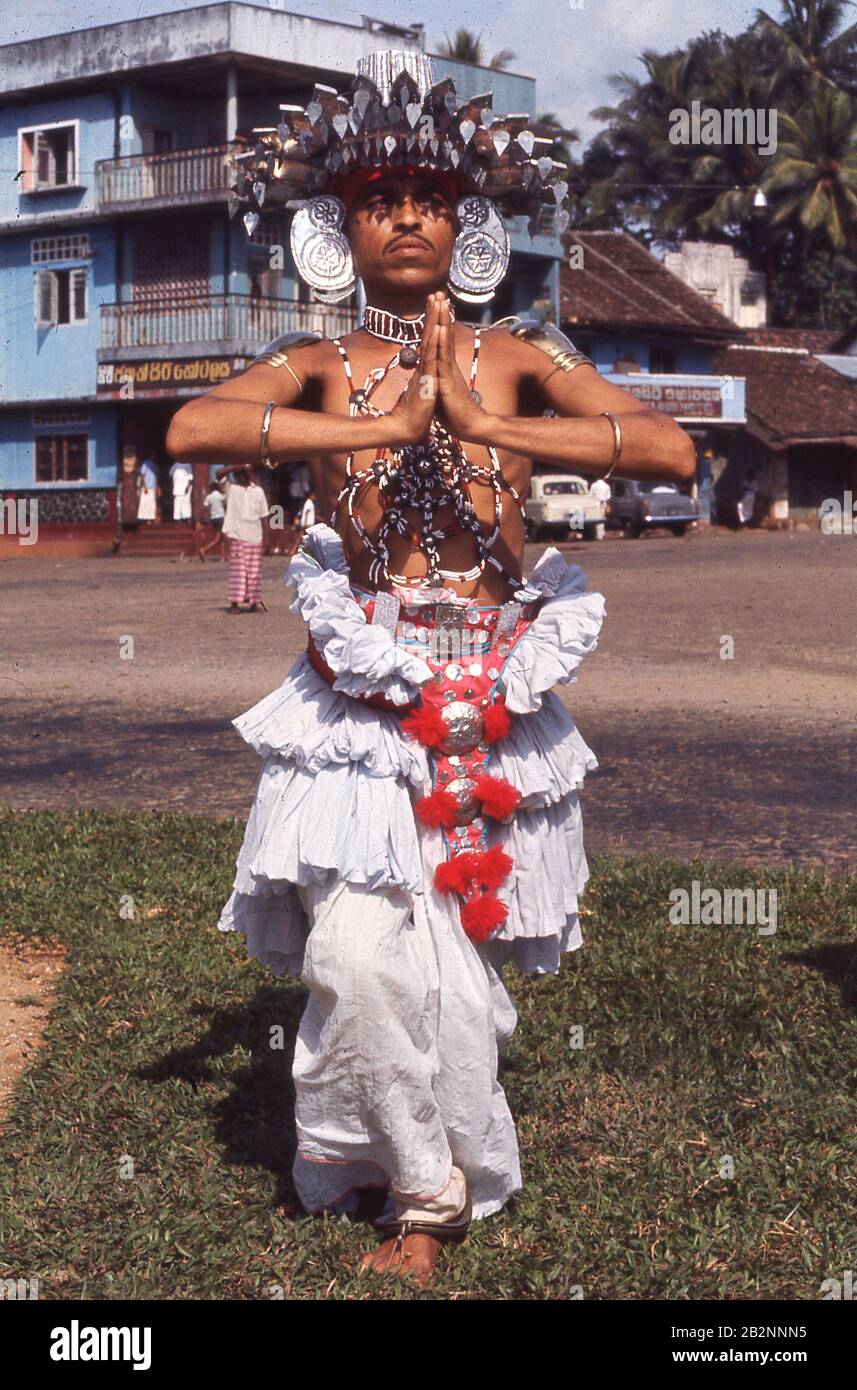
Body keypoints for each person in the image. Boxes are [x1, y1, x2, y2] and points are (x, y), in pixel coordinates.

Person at [166, 49, 695, 1288]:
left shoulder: (516, 354)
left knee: (457, 965)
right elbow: (198, 426)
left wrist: (486, 421)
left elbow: (667, 448)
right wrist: (388, 425)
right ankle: (420, 1184)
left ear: (468, 224)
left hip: (491, 695)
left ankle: (438, 1160)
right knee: (354, 953)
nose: (405, 215)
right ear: (333, 228)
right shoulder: (316, 361)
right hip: (358, 701)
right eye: (375, 198)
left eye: (428, 196)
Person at [219, 464, 270, 612]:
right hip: (236, 537)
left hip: (255, 537)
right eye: (240, 472)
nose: (243, 475)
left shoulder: (259, 491)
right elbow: (218, 474)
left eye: (246, 471)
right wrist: (237, 465)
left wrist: (267, 538)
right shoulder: (231, 488)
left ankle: (254, 602)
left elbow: (264, 515)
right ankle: (234, 603)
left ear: (251, 474)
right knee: (238, 571)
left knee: (254, 572)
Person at [200, 477, 227, 560]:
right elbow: (225, 504)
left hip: (213, 518)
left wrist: (203, 517)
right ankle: (203, 550)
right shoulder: (221, 496)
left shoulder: (209, 497)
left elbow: (205, 507)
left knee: (221, 538)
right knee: (218, 538)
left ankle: (223, 557)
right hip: (221, 518)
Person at [587, 474, 611, 541]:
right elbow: (608, 497)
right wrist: (608, 506)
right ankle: (602, 533)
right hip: (604, 503)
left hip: (596, 503)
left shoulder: (594, 485)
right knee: (602, 519)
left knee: (597, 519)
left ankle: (599, 535)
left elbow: (590, 495)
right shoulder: (607, 486)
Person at [137, 454, 159, 523]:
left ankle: (149, 519)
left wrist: (157, 487)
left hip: (153, 486)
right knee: (145, 503)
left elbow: (156, 476)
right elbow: (142, 476)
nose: (155, 456)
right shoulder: (145, 464)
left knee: (151, 503)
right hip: (146, 487)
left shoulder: (155, 465)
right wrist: (145, 486)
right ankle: (143, 519)